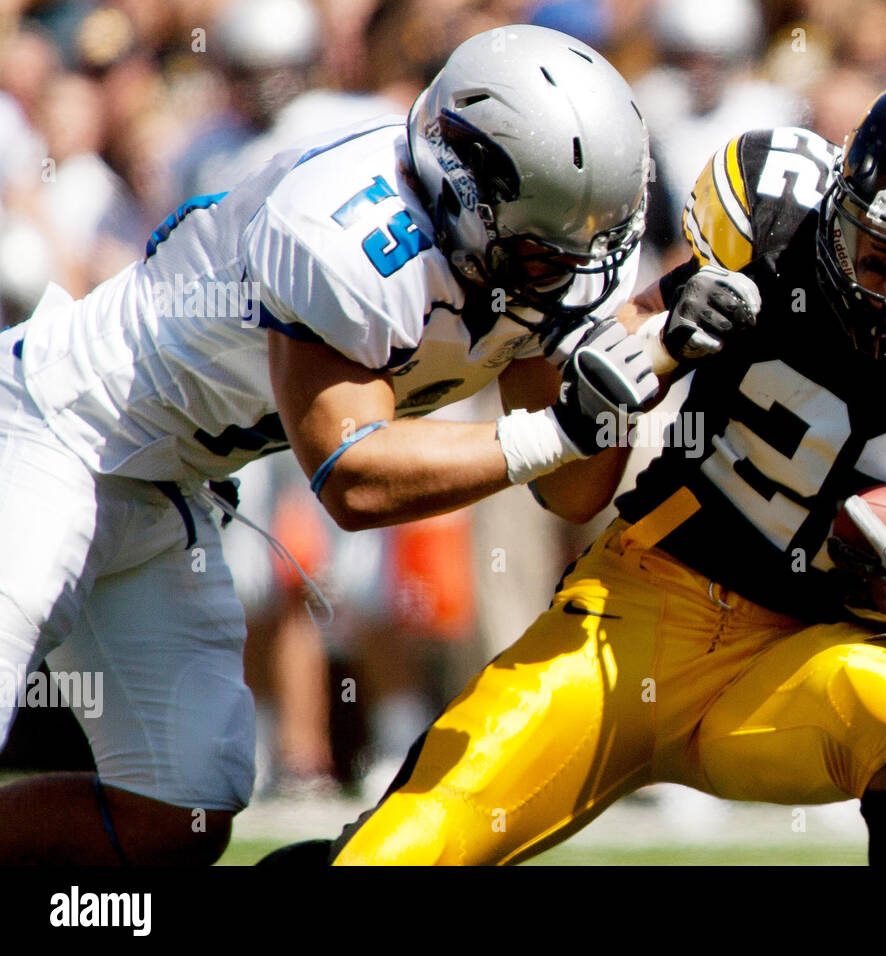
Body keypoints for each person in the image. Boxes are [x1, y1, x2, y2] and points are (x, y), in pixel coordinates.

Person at [274, 72, 886, 866]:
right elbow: (572, 484)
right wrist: (654, 346)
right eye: (873, 254)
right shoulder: (769, 227)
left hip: (806, 661)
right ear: (838, 205)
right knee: (393, 856)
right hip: (639, 609)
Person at [0, 24, 657, 865]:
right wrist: (560, 429)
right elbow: (355, 478)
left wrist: (652, 343)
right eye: (539, 253)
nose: (567, 277)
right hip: (54, 425)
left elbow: (569, 490)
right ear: (464, 189)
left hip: (172, 483)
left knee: (179, 812)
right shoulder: (349, 231)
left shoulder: (533, 252)